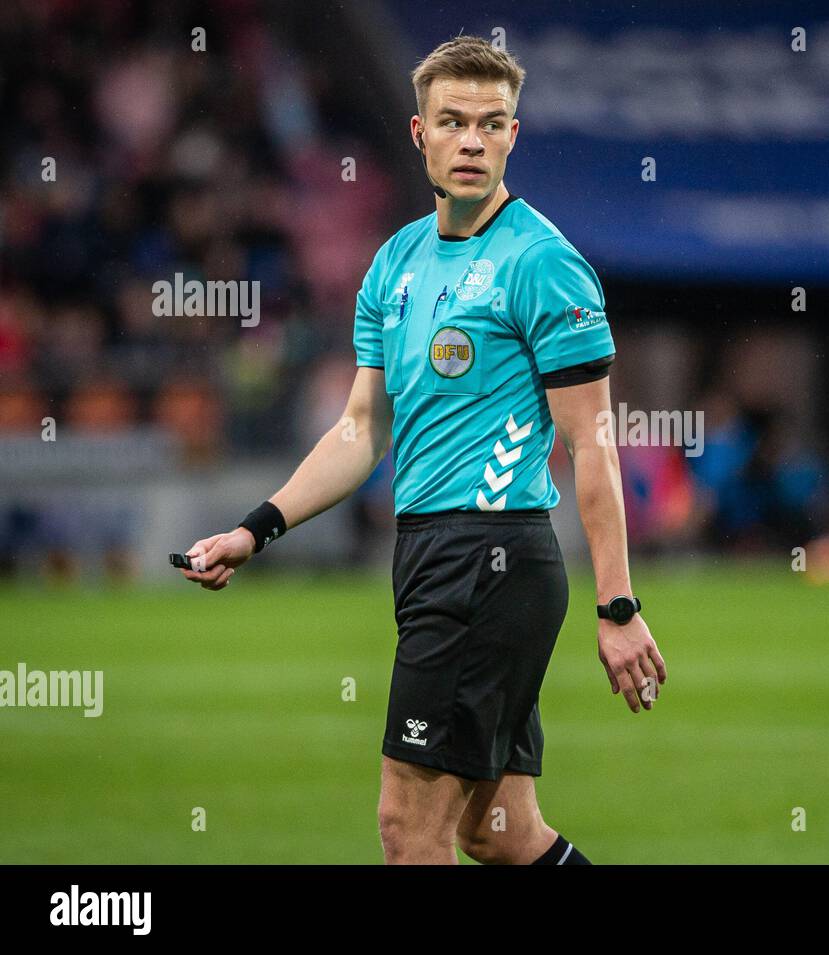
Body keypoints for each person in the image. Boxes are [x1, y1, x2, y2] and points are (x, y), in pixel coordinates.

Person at [176, 35, 667, 865]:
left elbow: (592, 444)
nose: (472, 140)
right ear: (419, 133)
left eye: (491, 123)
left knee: (409, 833)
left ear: (514, 136)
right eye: (453, 122)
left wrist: (617, 607)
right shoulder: (396, 260)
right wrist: (255, 528)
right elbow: (361, 429)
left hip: (490, 559)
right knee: (498, 831)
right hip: (431, 556)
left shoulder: (543, 264)